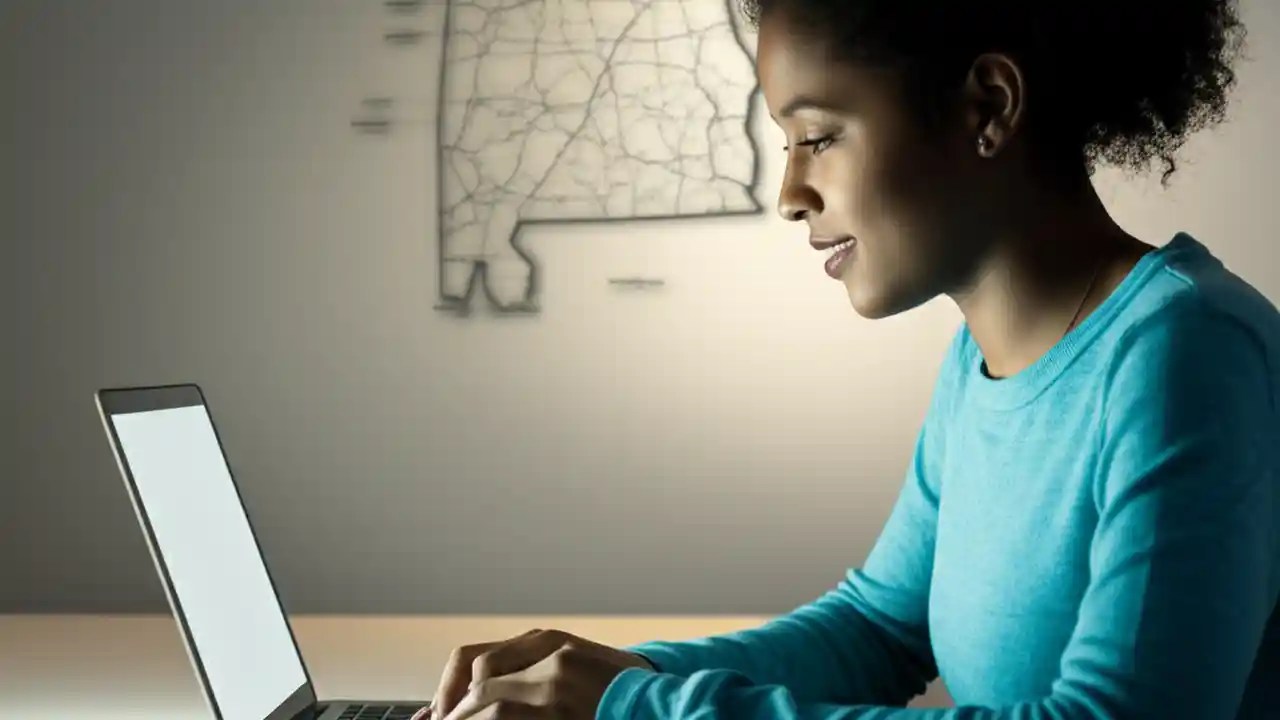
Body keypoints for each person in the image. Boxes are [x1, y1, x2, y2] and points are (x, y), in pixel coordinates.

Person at [414, 0, 1279, 718]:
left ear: (987, 107)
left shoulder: (1187, 357)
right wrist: (607, 672)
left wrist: (644, 707)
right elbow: (877, 630)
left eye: (817, 136)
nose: (789, 195)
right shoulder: (978, 365)